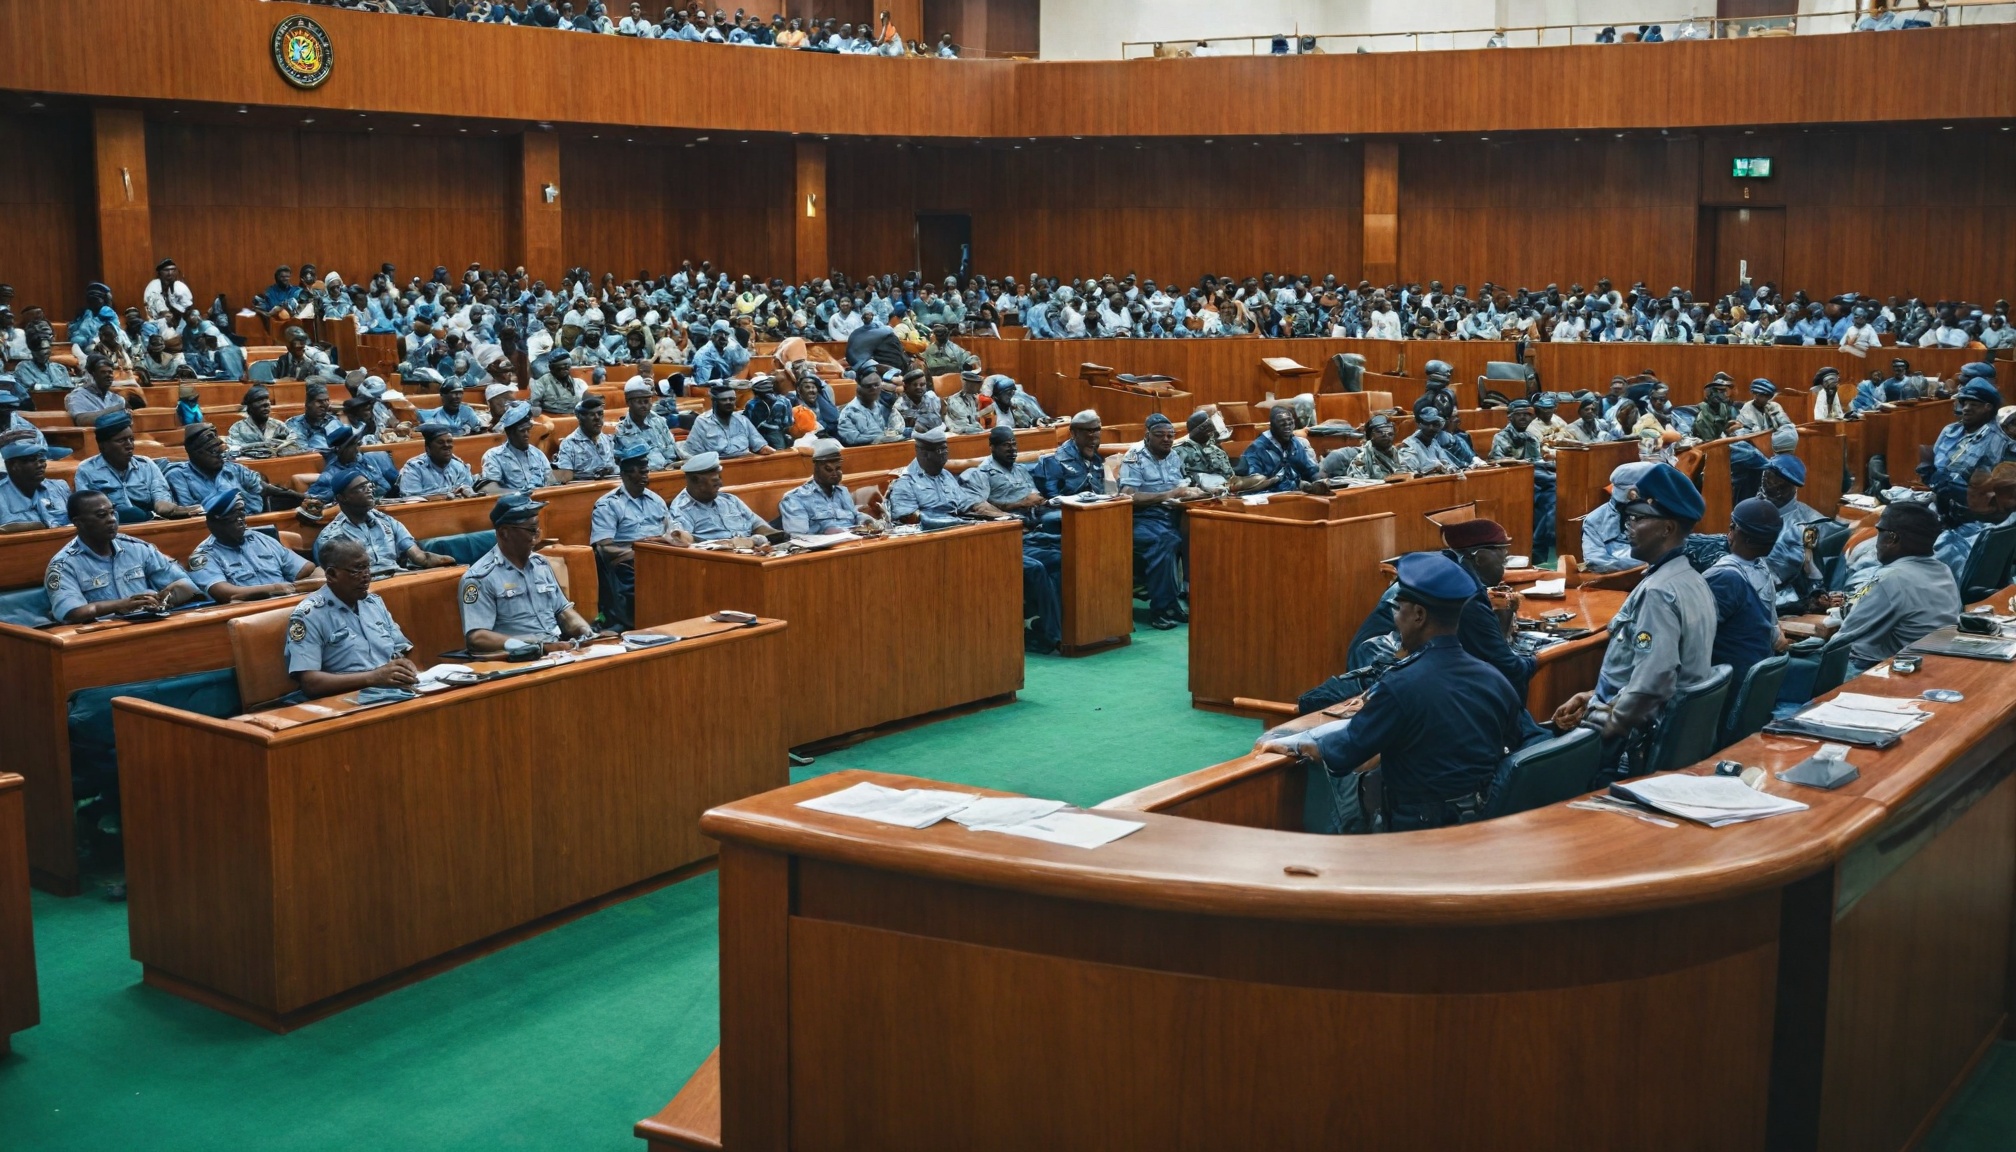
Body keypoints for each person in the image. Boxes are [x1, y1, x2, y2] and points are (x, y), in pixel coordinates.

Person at [1258, 552, 1527, 832]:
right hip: (1482, 824)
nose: (1395, 619)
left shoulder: (1400, 685)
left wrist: (1296, 744)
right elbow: (1514, 738)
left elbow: (1348, 750)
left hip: (1414, 833)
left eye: (1398, 610)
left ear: (1419, 616)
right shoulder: (1493, 678)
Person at [1551, 463, 1718, 780]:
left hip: (1635, 747)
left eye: (1639, 519)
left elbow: (1653, 682)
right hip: (1668, 731)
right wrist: (1593, 697)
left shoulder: (1658, 592)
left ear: (1667, 529)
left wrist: (1608, 723)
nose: (1628, 526)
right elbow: (1646, 669)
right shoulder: (1690, 579)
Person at [960, 425, 1065, 653]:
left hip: (1036, 526)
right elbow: (980, 507)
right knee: (1038, 568)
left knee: (1063, 557)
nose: (1012, 449)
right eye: (1006, 445)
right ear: (993, 447)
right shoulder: (982, 473)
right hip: (1012, 531)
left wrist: (1039, 502)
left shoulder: (1020, 470)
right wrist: (1017, 506)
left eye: (1014, 444)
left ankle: (1050, 625)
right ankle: (1052, 634)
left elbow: (1036, 495)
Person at [1827, 501, 1961, 672]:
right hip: (1932, 664)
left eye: (1879, 532)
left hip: (1887, 668)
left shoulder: (1891, 579)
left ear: (1892, 538)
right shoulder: (1943, 570)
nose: (1876, 541)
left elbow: (1843, 640)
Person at [284, 536, 419, 699]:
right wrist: (372, 677)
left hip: (391, 691)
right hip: (346, 699)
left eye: (367, 567)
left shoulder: (373, 602)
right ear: (332, 574)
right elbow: (310, 683)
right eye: (357, 570)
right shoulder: (309, 615)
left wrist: (406, 666)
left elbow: (401, 649)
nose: (366, 576)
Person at [462, 494, 599, 653]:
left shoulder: (541, 564)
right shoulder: (480, 577)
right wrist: (532, 645)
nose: (536, 537)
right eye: (531, 530)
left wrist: (584, 630)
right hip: (519, 657)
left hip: (558, 650)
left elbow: (562, 611)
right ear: (504, 532)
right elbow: (477, 637)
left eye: (537, 529)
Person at [45, 490, 202, 623]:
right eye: (101, 515)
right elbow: (71, 613)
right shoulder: (64, 564)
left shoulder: (137, 548)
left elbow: (186, 584)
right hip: (104, 635)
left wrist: (163, 598)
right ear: (78, 523)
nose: (112, 519)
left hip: (148, 624)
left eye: (112, 512)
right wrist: (121, 605)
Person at [1115, 413, 1197, 631]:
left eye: (1171, 435)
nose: (1167, 439)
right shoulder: (1135, 457)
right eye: (1160, 435)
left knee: (1201, 532)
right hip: (1143, 518)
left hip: (1174, 513)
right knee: (1166, 541)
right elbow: (1128, 497)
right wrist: (1167, 495)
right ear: (1147, 435)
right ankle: (1160, 609)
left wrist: (1195, 493)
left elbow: (1181, 487)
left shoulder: (1174, 456)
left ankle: (1178, 600)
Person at [592, 440, 680, 630]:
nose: (644, 476)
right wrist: (642, 553)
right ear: (624, 474)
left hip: (663, 557)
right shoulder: (608, 504)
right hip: (629, 564)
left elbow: (673, 533)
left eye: (646, 470)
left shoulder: (656, 500)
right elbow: (603, 547)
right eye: (638, 471)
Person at [311, 466, 455, 577]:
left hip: (399, 576)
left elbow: (419, 557)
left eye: (369, 486)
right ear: (342, 498)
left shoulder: (386, 521)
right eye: (361, 488)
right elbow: (339, 580)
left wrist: (449, 562)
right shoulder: (332, 536)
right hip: (365, 586)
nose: (369, 491)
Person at [187, 489, 322, 602]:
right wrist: (278, 589)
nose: (241, 521)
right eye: (233, 518)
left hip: (287, 602)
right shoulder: (204, 555)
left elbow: (307, 568)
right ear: (214, 524)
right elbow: (226, 593)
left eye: (242, 515)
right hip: (249, 612)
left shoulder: (261, 539)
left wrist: (308, 583)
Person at [1702, 497, 1784, 673]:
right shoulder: (1762, 567)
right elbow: (1775, 632)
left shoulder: (1723, 578)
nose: (1728, 532)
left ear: (1738, 533)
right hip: (1760, 677)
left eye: (1732, 527)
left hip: (1726, 684)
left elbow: (1693, 638)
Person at [73, 411, 195, 522]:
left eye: (131, 439)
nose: (129, 445)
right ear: (103, 446)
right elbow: (88, 510)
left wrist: (163, 505)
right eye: (121, 441)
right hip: (111, 527)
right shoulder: (87, 470)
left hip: (150, 523)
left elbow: (160, 493)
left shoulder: (146, 465)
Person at [1920, 375, 2011, 524]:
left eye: (1974, 405)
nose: (1966, 409)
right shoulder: (1950, 430)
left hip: (1973, 517)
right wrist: (1928, 471)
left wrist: (1951, 487)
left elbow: (1994, 493)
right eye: (1965, 404)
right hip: (1939, 505)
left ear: (1988, 407)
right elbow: (1936, 470)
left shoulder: (1998, 440)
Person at [1757, 453, 1833, 609]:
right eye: (1765, 480)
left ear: (1787, 488)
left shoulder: (1808, 526)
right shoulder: (1754, 509)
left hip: (1785, 597)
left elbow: (1813, 573)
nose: (1766, 487)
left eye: (1773, 483)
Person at [886, 426, 1008, 521]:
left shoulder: (946, 476)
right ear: (922, 453)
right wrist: (952, 522)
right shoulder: (905, 483)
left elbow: (969, 504)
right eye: (940, 450)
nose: (945, 454)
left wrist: (1004, 516)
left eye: (946, 449)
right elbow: (909, 519)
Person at [1489, 398, 1556, 556]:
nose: (1524, 418)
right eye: (1519, 415)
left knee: (1555, 496)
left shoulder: (1531, 437)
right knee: (1553, 484)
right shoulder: (1501, 437)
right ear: (1510, 417)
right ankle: (1540, 544)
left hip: (1534, 480)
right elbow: (1499, 463)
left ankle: (1540, 544)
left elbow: (1536, 461)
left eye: (1527, 414)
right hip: (1511, 482)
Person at [165, 423, 278, 512]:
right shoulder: (178, 475)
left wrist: (289, 494)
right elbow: (192, 513)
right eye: (213, 451)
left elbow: (261, 486)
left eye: (220, 451)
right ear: (194, 452)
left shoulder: (233, 468)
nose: (220, 456)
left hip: (252, 523)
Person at [778, 438, 874, 536]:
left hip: (853, 540)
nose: (835, 473)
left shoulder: (842, 492)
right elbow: (798, 536)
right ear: (816, 469)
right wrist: (824, 532)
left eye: (838, 468)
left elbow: (854, 515)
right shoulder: (795, 498)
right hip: (825, 547)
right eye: (828, 469)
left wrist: (865, 520)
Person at [668, 452, 770, 544]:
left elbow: (756, 523)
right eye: (714, 481)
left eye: (719, 479)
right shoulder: (681, 510)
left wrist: (776, 537)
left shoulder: (729, 499)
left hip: (753, 551)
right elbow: (685, 543)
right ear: (695, 480)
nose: (720, 485)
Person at [1580, 461, 1656, 573]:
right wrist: (1645, 563)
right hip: (1616, 581)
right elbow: (1596, 562)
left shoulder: (1662, 513)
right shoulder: (1595, 520)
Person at [1238, 404, 1326, 493]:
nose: (1288, 427)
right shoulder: (1257, 448)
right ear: (1272, 426)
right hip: (1269, 498)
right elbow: (1254, 483)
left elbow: (1309, 470)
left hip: (1298, 494)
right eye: (1282, 424)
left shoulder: (1296, 443)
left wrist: (1318, 478)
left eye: (1290, 423)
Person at [1175, 408, 1267, 493]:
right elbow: (1180, 480)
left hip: (1225, 484)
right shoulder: (1180, 450)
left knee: (1260, 478)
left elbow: (1230, 477)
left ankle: (1229, 489)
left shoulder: (1217, 451)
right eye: (1207, 428)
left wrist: (1233, 482)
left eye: (1211, 429)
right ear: (1197, 430)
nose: (1211, 433)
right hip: (1199, 486)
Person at [685, 382, 773, 458]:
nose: (729, 402)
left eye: (732, 399)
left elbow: (760, 445)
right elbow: (694, 454)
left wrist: (771, 452)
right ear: (714, 401)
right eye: (724, 400)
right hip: (716, 467)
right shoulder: (702, 422)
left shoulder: (742, 420)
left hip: (744, 463)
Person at [481, 402, 553, 492]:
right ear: (510, 433)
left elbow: (551, 483)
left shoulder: (538, 454)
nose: (527, 435)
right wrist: (522, 495)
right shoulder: (494, 456)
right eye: (522, 431)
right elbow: (490, 489)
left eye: (528, 430)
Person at [0, 441, 71, 530]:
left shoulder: (59, 487)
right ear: (12, 465)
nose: (40, 464)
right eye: (32, 459)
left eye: (42, 458)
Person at [399, 421, 478, 500]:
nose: (447, 446)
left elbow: (468, 491)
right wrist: (442, 497)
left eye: (449, 441)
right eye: (440, 442)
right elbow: (410, 498)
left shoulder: (459, 466)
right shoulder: (414, 468)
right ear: (428, 449)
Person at [617, 376, 682, 468]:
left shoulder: (659, 421)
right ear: (628, 403)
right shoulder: (622, 430)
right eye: (639, 402)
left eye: (647, 401)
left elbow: (672, 450)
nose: (644, 406)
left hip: (672, 471)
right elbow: (643, 464)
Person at [225, 386, 305, 458]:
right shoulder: (237, 428)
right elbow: (233, 450)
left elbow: (295, 443)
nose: (266, 404)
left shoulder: (278, 425)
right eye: (259, 400)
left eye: (267, 400)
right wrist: (262, 445)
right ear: (250, 407)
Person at [554, 394, 618, 482]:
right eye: (592, 415)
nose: (597, 418)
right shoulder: (569, 444)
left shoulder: (608, 440)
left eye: (600, 414)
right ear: (581, 419)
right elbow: (565, 477)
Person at [837, 371, 903, 446]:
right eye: (868, 386)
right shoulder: (849, 412)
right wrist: (881, 438)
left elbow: (899, 429)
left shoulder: (883, 407)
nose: (873, 389)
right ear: (858, 389)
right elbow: (852, 439)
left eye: (876, 385)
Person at [65, 355, 130, 426]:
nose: (108, 375)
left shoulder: (117, 399)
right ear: (92, 374)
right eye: (103, 372)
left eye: (110, 372)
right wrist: (117, 409)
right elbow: (82, 420)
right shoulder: (77, 396)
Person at [421, 380, 487, 434]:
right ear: (442, 395)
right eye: (453, 393)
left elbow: (479, 429)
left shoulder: (468, 412)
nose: (458, 397)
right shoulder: (433, 415)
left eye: (460, 393)